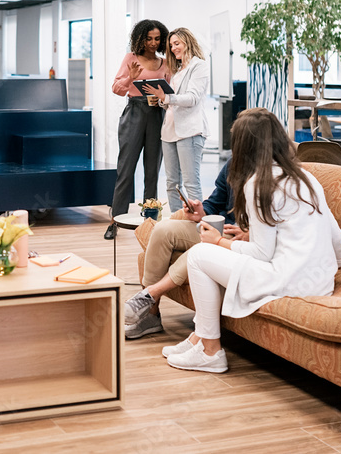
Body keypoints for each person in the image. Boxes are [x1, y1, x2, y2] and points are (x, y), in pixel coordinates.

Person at [163, 108, 341, 374]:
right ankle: (198, 338)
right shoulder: (306, 178)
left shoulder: (258, 183)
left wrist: (218, 241)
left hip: (287, 280)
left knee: (199, 255)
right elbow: (335, 233)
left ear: (243, 147)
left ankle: (210, 351)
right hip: (321, 282)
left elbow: (262, 253)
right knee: (209, 257)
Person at [123, 157, 245, 339]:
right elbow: (216, 202)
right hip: (221, 227)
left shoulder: (273, 172)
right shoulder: (234, 163)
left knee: (201, 249)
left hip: (239, 239)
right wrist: (201, 212)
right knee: (162, 230)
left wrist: (250, 232)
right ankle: (151, 315)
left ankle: (148, 295)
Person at [103, 19, 170, 241]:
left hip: (157, 115)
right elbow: (117, 89)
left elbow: (172, 92)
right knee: (125, 170)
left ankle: (150, 224)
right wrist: (131, 77)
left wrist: (162, 98)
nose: (153, 43)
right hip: (133, 114)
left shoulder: (165, 63)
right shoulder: (130, 58)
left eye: (157, 39)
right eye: (149, 38)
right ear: (140, 38)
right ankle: (115, 221)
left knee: (152, 173)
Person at [143, 27, 208, 212]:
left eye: (177, 43)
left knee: (191, 183)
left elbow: (193, 98)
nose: (173, 48)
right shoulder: (178, 71)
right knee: (172, 184)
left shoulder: (199, 66)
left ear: (188, 42)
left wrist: (166, 97)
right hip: (169, 132)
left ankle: (196, 225)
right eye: (171, 45)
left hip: (190, 132)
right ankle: (176, 222)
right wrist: (160, 100)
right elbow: (171, 102)